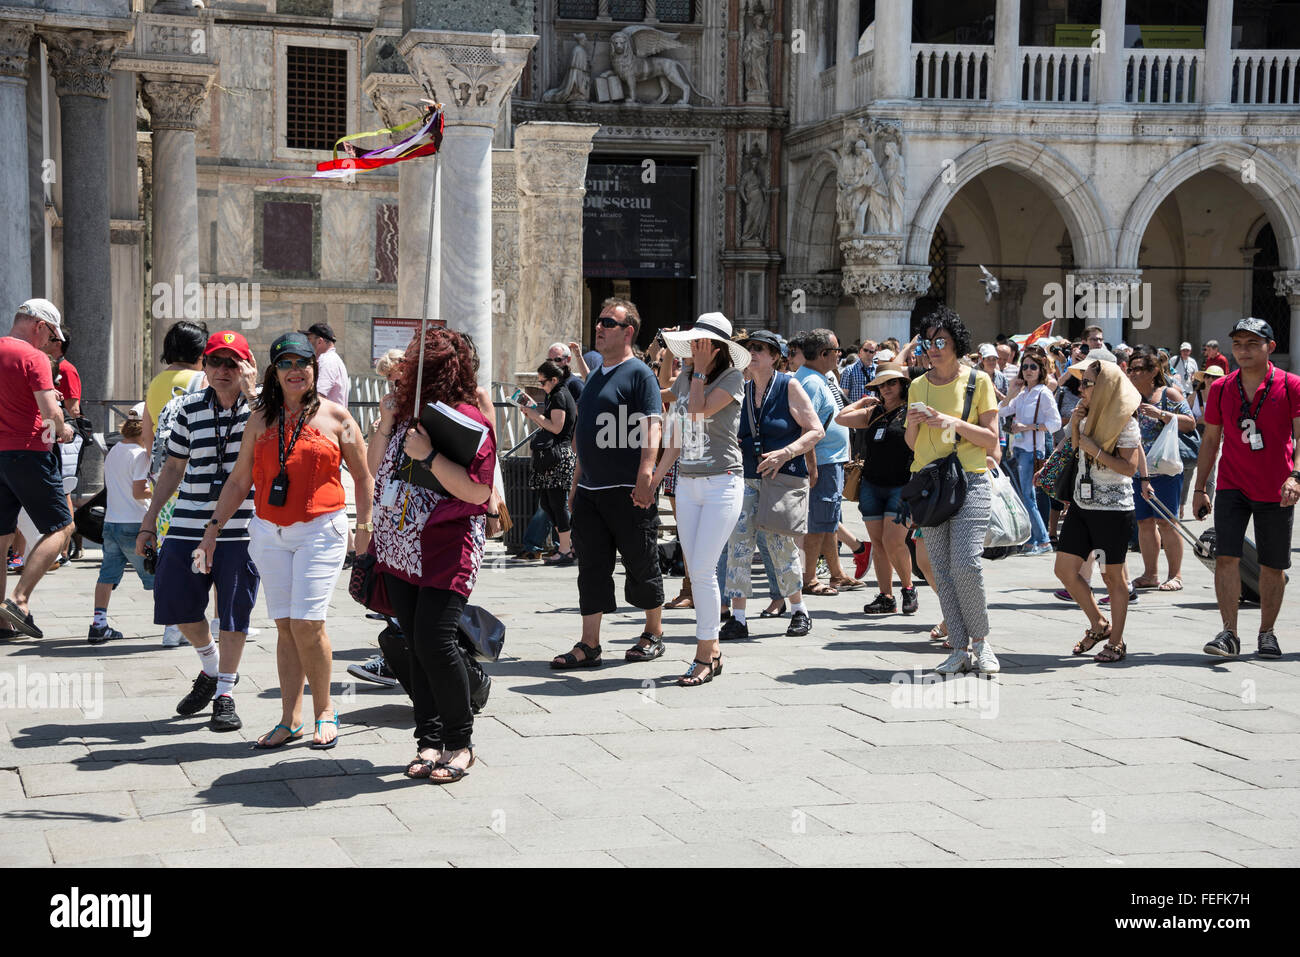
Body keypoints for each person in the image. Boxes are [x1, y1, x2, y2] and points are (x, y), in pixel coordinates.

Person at [199, 332, 371, 749]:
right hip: (268, 532)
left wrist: (364, 531)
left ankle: (325, 710)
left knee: (308, 624)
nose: (296, 371)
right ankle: (289, 718)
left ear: (314, 368)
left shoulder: (338, 418)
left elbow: (364, 478)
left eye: (303, 363)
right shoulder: (259, 418)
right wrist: (212, 529)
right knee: (285, 627)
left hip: (320, 530)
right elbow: (240, 479)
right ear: (274, 372)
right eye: (286, 364)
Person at [367, 327, 494, 783]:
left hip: (445, 545)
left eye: (418, 366)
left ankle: (460, 743)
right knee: (415, 644)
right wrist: (386, 421)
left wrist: (430, 456)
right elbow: (370, 466)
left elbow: (478, 491)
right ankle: (428, 738)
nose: (405, 373)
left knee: (436, 642)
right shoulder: (403, 414)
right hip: (399, 544)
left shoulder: (466, 418)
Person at [136, 331, 260, 730]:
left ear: (245, 368)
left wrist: (255, 393)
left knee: (234, 611)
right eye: (215, 362)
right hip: (188, 523)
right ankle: (211, 666)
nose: (223, 370)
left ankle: (225, 691)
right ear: (203, 366)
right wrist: (150, 520)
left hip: (242, 526)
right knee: (176, 604)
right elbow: (173, 467)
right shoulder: (187, 408)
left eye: (232, 363)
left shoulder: (260, 410)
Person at [551, 297, 664, 669]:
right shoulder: (596, 374)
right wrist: (576, 481)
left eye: (608, 323)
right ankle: (590, 644)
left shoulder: (640, 374)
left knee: (641, 561)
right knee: (592, 568)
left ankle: (653, 632)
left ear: (628, 331)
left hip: (628, 490)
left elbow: (653, 424)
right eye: (598, 321)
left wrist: (646, 473)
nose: (598, 327)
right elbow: (585, 433)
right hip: (591, 491)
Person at [644, 314, 749, 684]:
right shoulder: (688, 376)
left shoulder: (732, 378)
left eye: (699, 344)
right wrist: (653, 480)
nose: (692, 349)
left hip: (722, 481)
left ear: (715, 348)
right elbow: (678, 432)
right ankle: (711, 651)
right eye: (691, 343)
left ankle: (707, 652)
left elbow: (701, 410)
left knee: (703, 568)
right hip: (688, 482)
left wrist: (700, 371)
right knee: (696, 567)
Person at [1195, 318, 1300, 659]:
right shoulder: (1222, 387)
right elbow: (1211, 440)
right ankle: (1229, 632)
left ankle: (1267, 633)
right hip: (1232, 485)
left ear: (1270, 347)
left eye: (1252, 344)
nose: (1243, 350)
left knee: (1272, 565)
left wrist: (1296, 476)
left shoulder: (1291, 385)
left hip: (1276, 487)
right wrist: (1200, 487)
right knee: (1226, 558)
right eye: (1238, 344)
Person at [905, 307, 1001, 674]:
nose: (933, 348)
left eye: (940, 341)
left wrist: (953, 423)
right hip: (929, 485)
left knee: (966, 564)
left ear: (956, 343)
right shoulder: (917, 384)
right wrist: (914, 424)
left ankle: (982, 641)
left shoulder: (978, 382)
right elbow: (914, 446)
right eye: (928, 342)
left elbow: (992, 440)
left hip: (970, 480)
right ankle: (959, 648)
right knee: (941, 570)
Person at [1054, 358, 1146, 663]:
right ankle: (1099, 623)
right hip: (1082, 504)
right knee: (1064, 569)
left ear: (1105, 387)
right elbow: (1074, 448)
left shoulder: (1125, 421)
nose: (1080, 389)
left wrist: (1095, 449)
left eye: (1087, 383)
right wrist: (1077, 426)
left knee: (1112, 578)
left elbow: (1128, 468)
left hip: (1112, 511)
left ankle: (1116, 641)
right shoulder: (1085, 416)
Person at [0, 299, 76, 639]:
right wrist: (63, 428)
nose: (48, 343)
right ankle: (19, 599)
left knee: (1, 539)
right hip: (28, 451)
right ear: (39, 325)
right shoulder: (34, 357)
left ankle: (1, 623)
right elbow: (49, 414)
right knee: (62, 526)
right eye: (50, 335)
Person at [837, 361, 919, 615]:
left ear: (902, 385)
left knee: (894, 541)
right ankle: (886, 596)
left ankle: (908, 588)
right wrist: (861, 403)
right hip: (872, 484)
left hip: (901, 484)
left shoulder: (910, 412)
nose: (886, 388)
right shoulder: (873, 412)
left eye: (891, 383)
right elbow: (841, 417)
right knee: (879, 542)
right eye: (881, 384)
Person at [1126, 344, 1196, 591]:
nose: (1131, 373)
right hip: (1137, 469)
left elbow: (1190, 423)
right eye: (1130, 368)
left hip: (1165, 469)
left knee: (1166, 521)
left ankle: (1175, 575)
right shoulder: (1129, 396)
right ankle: (1150, 574)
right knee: (1144, 522)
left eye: (1137, 369)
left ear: (1153, 370)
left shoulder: (1169, 394)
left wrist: (1162, 415)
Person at [794, 328, 855, 594]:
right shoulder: (811, 382)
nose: (839, 356)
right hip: (822, 462)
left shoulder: (817, 378)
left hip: (828, 460)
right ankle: (809, 578)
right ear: (823, 354)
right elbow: (806, 427)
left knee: (827, 520)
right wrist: (812, 464)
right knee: (819, 522)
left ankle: (837, 573)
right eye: (836, 351)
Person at [89, 410, 155, 643]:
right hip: (136, 521)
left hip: (112, 522)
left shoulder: (114, 451)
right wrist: (162, 490)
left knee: (106, 575)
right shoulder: (141, 455)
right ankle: (175, 626)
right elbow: (139, 491)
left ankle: (99, 624)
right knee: (159, 575)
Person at [998, 346, 1061, 555]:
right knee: (1024, 496)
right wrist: (1012, 392)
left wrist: (1028, 427)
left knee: (1028, 496)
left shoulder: (1043, 393)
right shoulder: (1023, 393)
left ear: (1040, 369)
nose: (1028, 370)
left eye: (1033, 367)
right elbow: (1001, 410)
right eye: (1025, 367)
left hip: (1033, 450)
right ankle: (1033, 539)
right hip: (1019, 449)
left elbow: (1055, 423)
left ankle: (1043, 540)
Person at [520, 359, 578, 564]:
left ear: (554, 380)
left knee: (556, 503)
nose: (542, 386)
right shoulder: (556, 394)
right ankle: (567, 545)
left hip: (558, 456)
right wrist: (533, 413)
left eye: (543, 383)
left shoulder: (560, 395)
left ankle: (565, 549)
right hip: (554, 456)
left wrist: (534, 414)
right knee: (547, 502)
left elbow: (556, 427)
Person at [303, 322, 350, 408]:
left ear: (320, 341)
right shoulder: (331, 359)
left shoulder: (327, 361)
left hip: (327, 419)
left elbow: (319, 396)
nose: (306, 343)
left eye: (309, 339)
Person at [839, 340, 877, 404]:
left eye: (871, 352)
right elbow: (843, 396)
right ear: (860, 351)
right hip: (856, 411)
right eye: (865, 350)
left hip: (874, 410)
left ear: (875, 354)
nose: (868, 353)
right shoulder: (849, 370)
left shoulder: (878, 370)